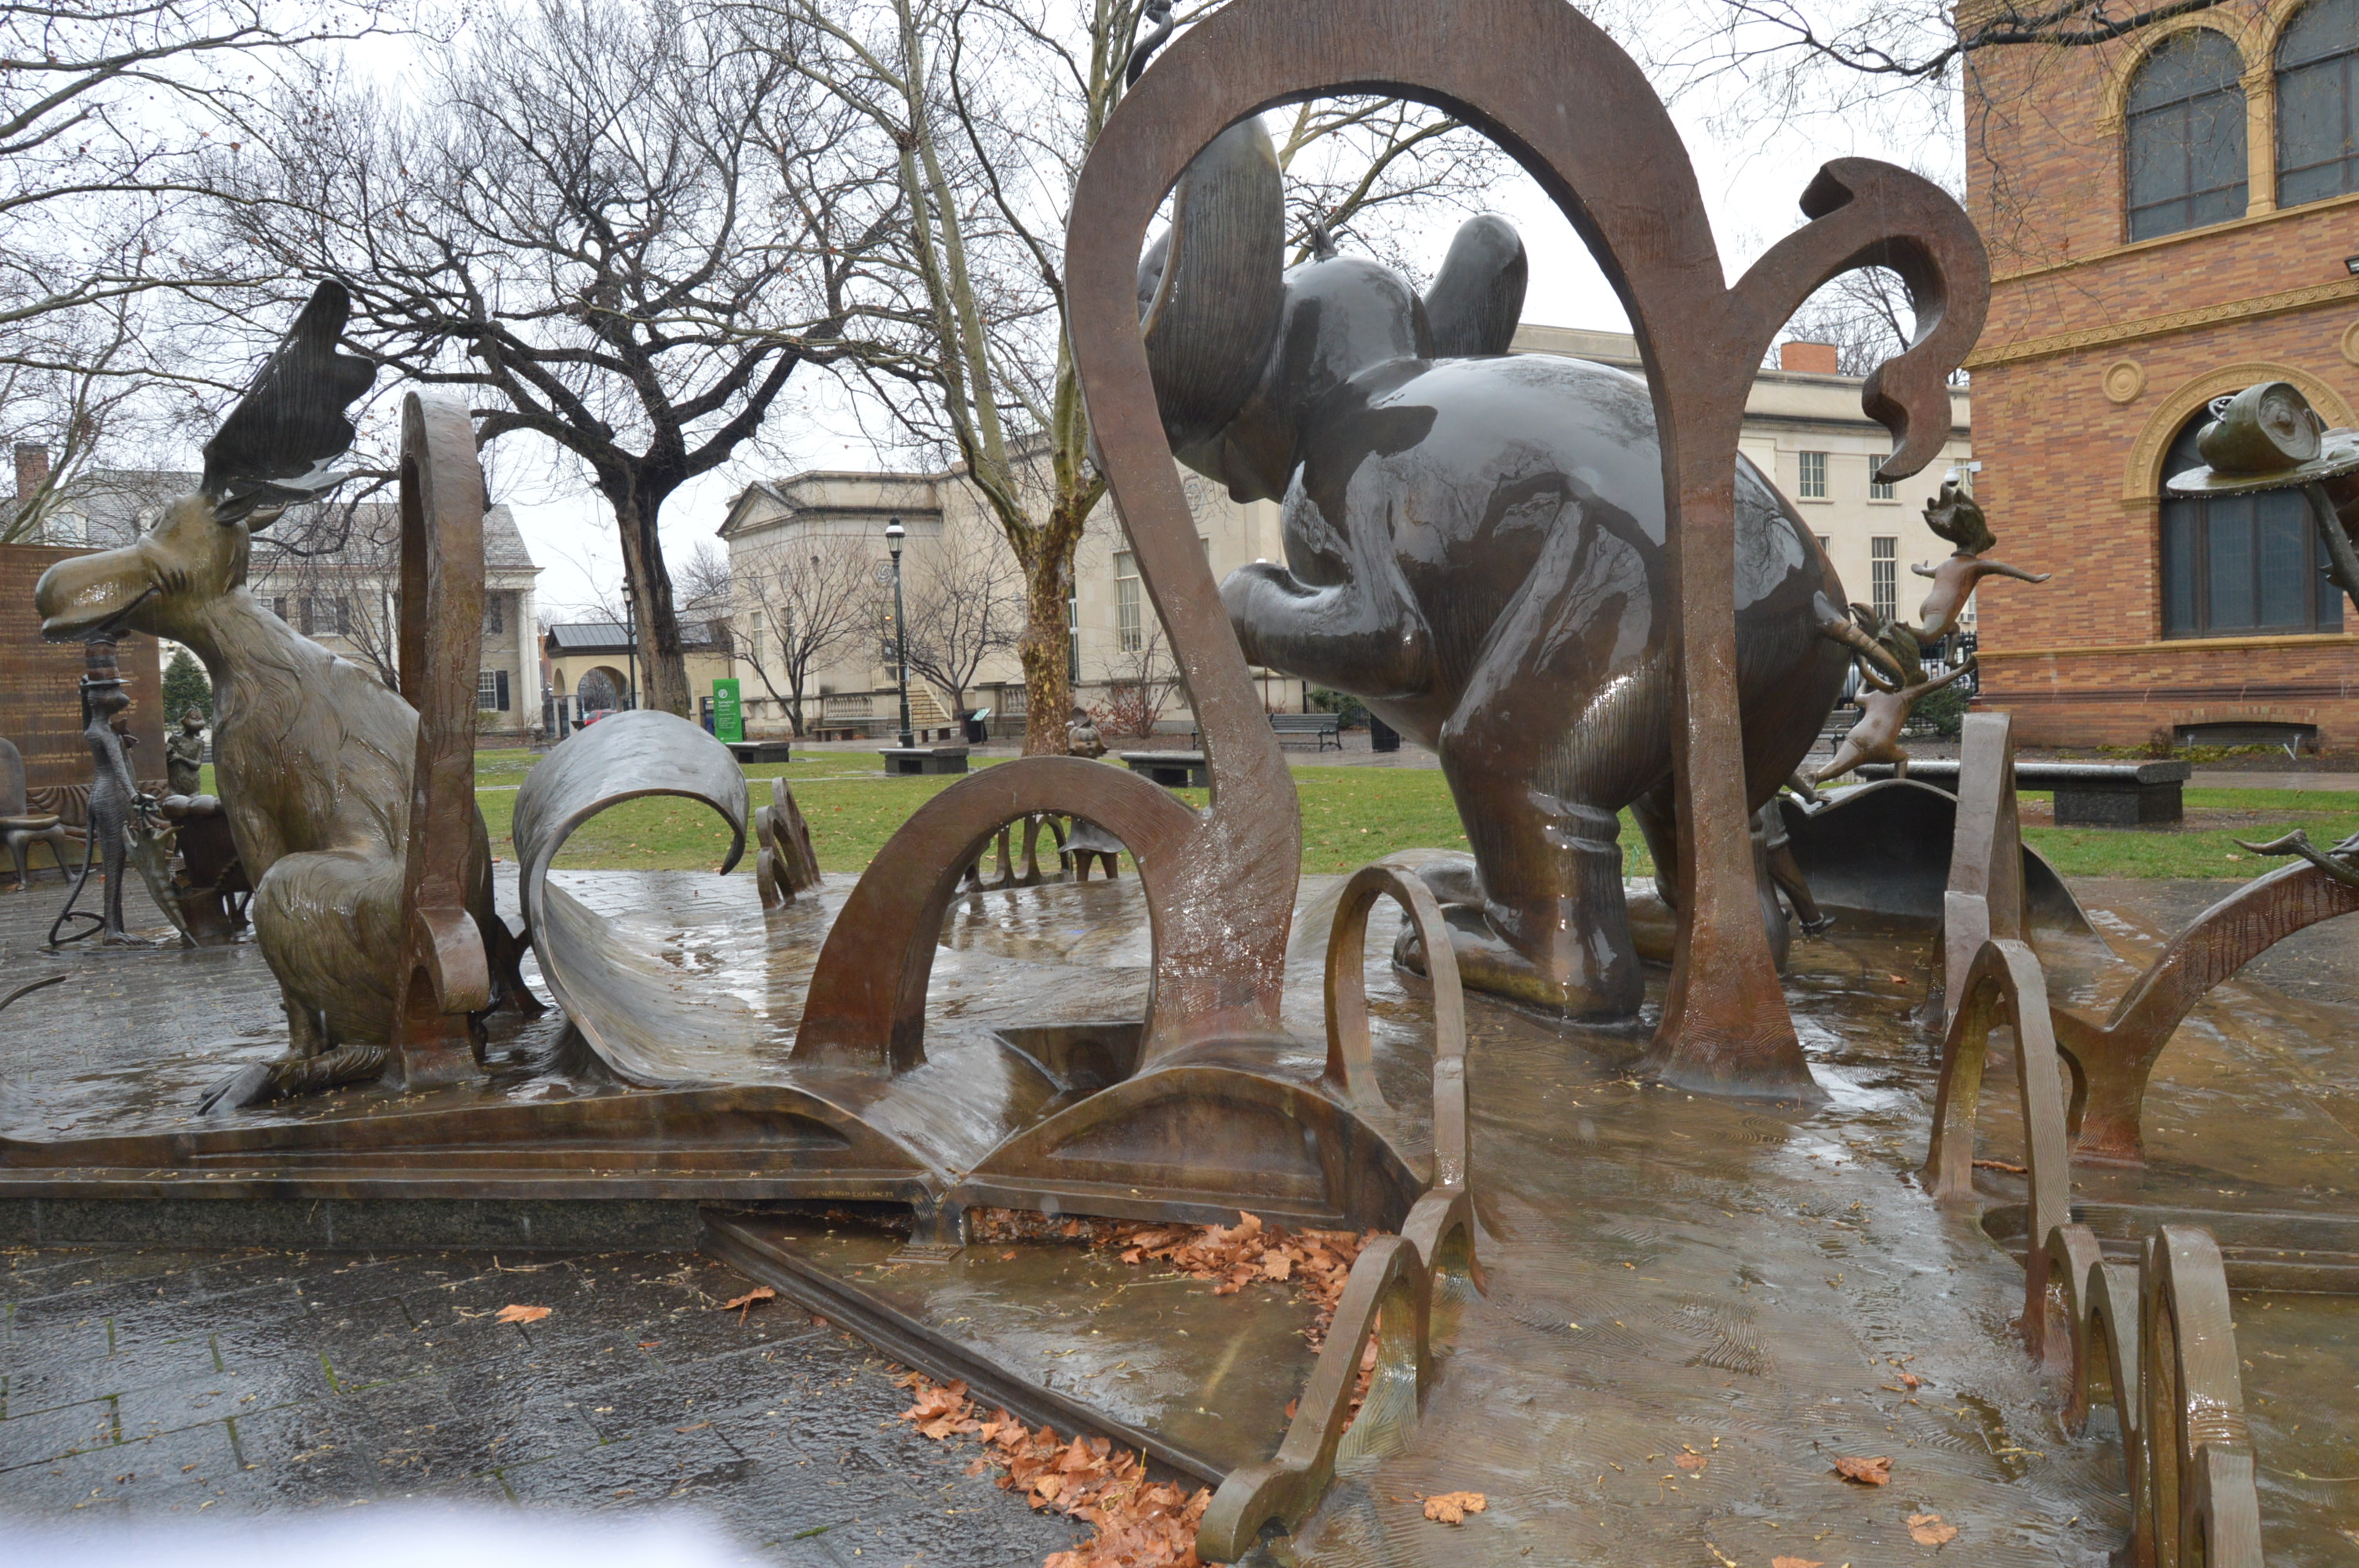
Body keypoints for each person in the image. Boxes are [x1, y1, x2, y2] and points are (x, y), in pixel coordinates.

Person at [166, 706, 206, 797]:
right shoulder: (174, 739)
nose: (196, 721)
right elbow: (168, 760)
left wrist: (181, 757)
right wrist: (167, 752)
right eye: (193, 718)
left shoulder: (200, 743)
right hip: (175, 785)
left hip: (193, 786)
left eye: (199, 718)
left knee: (195, 809)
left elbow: (197, 765)